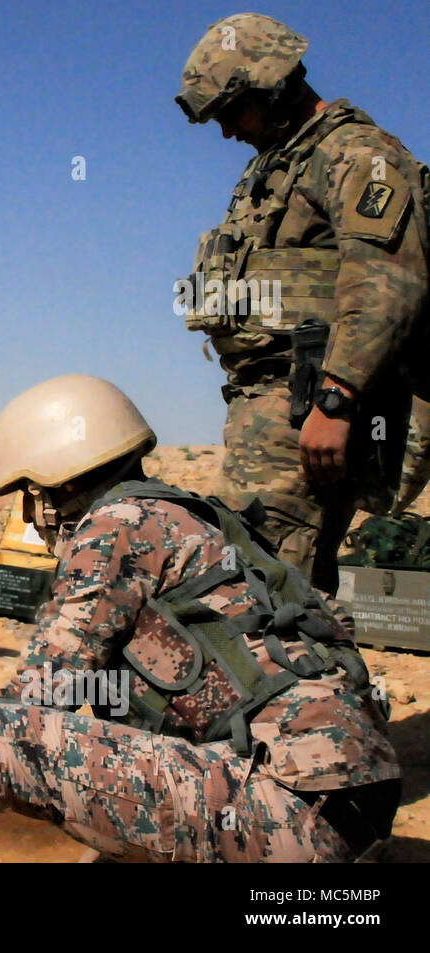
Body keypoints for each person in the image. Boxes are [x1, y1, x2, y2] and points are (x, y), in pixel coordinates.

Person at [0, 375, 400, 863]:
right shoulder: (190, 518)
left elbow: (32, 703)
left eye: (28, 494)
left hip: (290, 811)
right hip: (341, 805)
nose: (31, 515)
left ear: (54, 483)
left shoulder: (115, 530)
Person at [175, 13, 429, 594]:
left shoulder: (358, 154)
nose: (226, 131)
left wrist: (336, 402)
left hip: (310, 407)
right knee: (264, 587)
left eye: (232, 110)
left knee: (264, 591)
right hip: (268, 407)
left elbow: (389, 282)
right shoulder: (278, 166)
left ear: (274, 84)